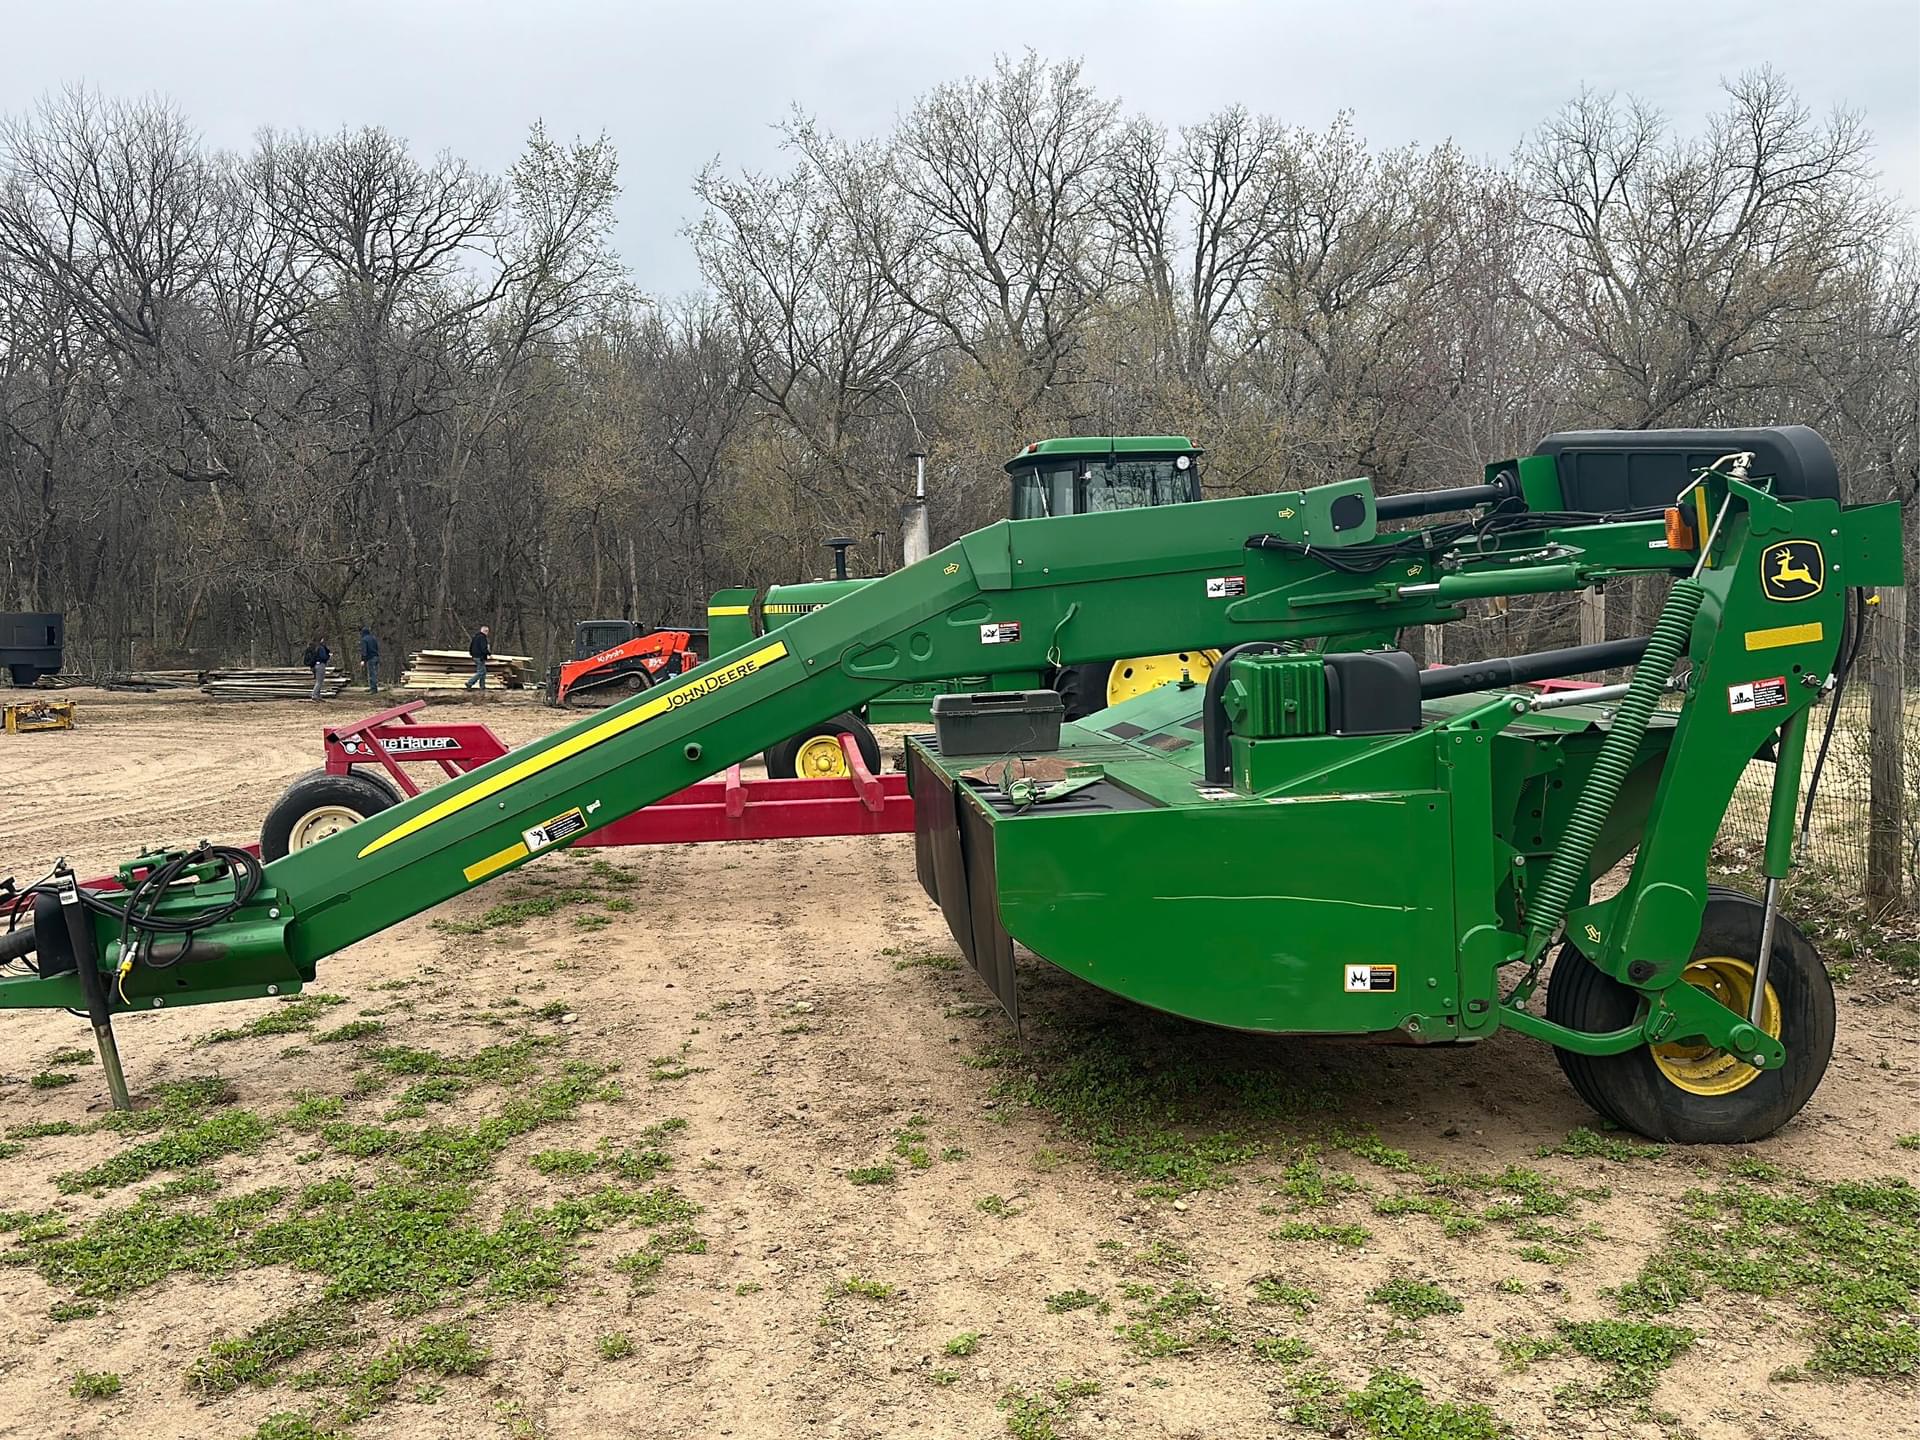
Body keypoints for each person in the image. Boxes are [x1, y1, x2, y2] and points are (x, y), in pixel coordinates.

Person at [464, 625, 491, 691]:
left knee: (483, 672)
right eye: (487, 632)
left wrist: (472, 654)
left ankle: (482, 687)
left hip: (475, 656)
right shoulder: (483, 638)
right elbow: (483, 648)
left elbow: (471, 646)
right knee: (481, 672)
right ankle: (469, 683)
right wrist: (488, 653)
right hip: (480, 657)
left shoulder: (475, 637)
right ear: (485, 631)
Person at [303, 637, 331, 701]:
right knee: (319, 681)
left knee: (318, 681)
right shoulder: (320, 648)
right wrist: (328, 656)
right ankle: (314, 695)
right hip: (320, 665)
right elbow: (323, 657)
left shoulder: (313, 647)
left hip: (314, 666)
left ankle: (318, 696)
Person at [360, 626, 380, 694]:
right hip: (376, 657)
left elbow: (364, 651)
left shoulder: (364, 640)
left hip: (370, 658)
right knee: (375, 673)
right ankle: (373, 687)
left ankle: (373, 689)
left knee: (372, 674)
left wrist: (363, 660)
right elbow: (377, 647)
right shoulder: (373, 638)